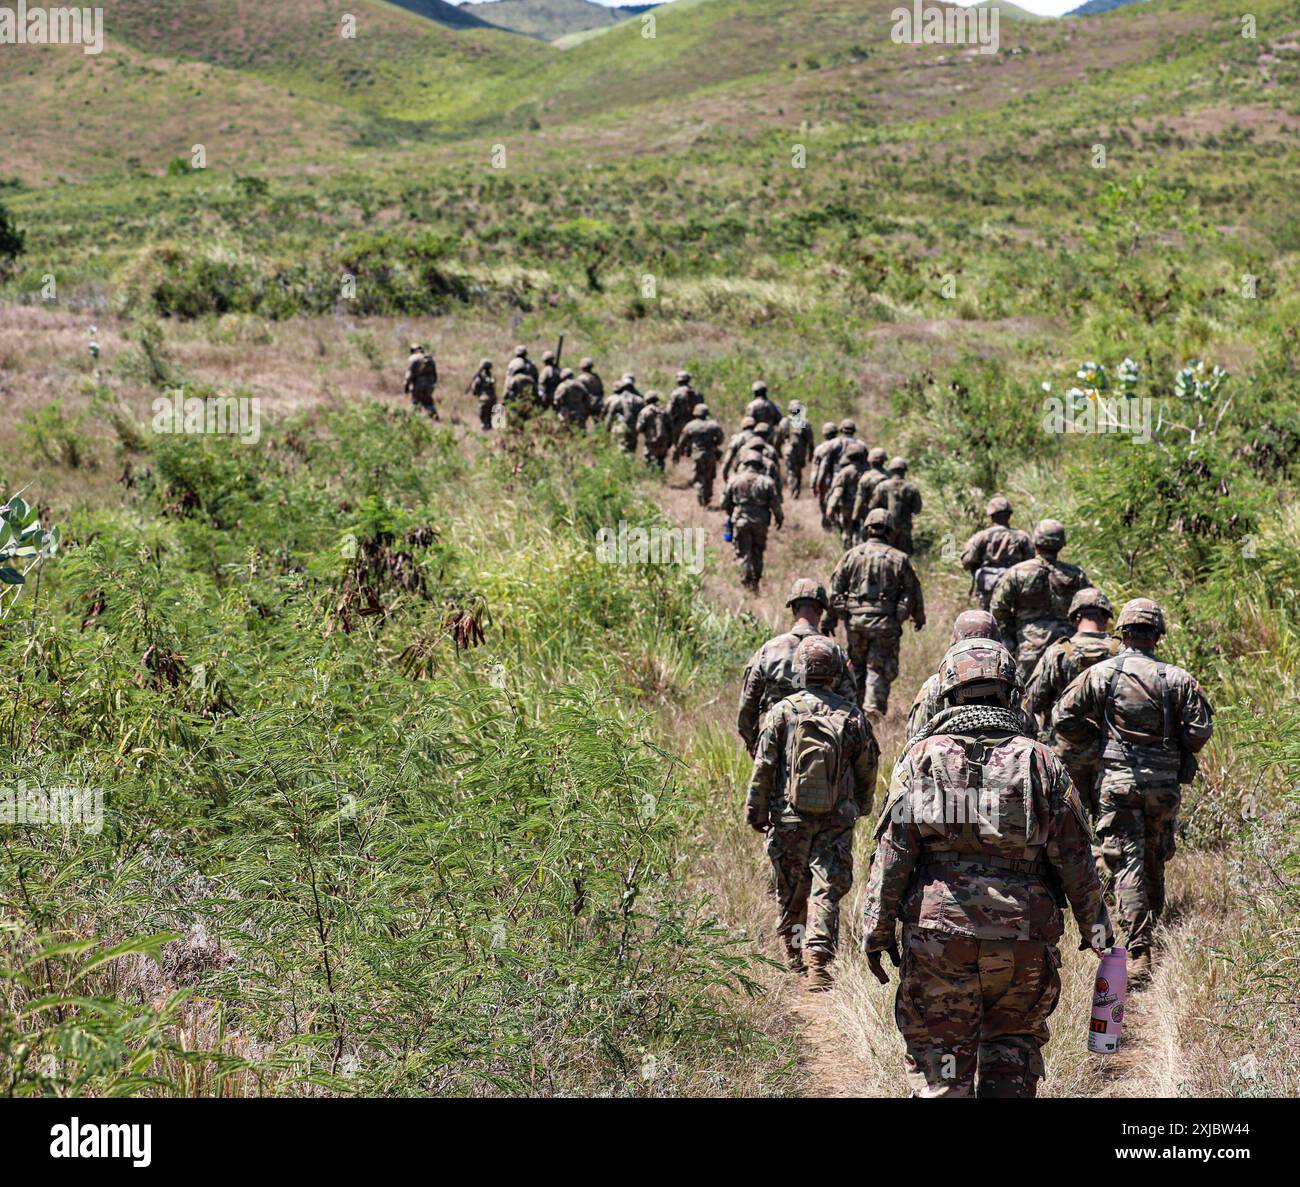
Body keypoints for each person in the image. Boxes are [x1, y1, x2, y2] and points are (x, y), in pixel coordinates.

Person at [863, 637, 1112, 1097]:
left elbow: (894, 851)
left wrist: (876, 930)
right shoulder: (1042, 761)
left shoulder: (922, 758)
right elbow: (1076, 856)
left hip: (939, 937)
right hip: (1023, 938)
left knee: (941, 1064)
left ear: (950, 693)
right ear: (1010, 692)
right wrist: (1097, 930)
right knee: (1011, 1056)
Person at [1051, 598, 1213, 981]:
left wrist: (1096, 741)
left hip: (1118, 783)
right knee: (1155, 852)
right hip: (1164, 786)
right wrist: (1171, 747)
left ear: (1122, 633)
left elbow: (1063, 718)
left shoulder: (1102, 674)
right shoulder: (1178, 679)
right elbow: (1200, 732)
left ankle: (1139, 947)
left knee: (1127, 860)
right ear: (1158, 635)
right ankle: (1151, 924)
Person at [746, 635, 879, 988]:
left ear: (800, 671)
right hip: (835, 819)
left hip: (789, 816)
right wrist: (860, 806)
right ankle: (818, 960)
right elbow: (867, 767)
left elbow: (764, 766)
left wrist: (756, 810)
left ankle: (793, 954)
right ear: (835, 672)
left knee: (791, 887)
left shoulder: (781, 712)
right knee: (826, 888)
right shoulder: (851, 715)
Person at [1023, 587, 1118, 815]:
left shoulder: (1058, 652)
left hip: (1066, 750)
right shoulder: (1121, 652)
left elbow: (1033, 701)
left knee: (1070, 821)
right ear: (1105, 617)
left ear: (1075, 618)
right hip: (1112, 751)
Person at [823, 507, 925, 715]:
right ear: (889, 531)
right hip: (886, 624)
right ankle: (873, 710)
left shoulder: (851, 556)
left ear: (867, 529)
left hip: (855, 624)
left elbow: (834, 591)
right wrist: (917, 616)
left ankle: (853, 709)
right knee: (878, 667)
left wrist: (831, 619)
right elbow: (913, 590)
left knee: (857, 667)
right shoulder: (899, 559)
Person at [737, 579, 857, 755]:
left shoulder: (768, 651)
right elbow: (851, 705)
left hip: (775, 744)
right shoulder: (835, 653)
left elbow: (747, 708)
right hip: (823, 749)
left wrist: (758, 746)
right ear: (821, 610)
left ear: (793, 609)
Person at [990, 519, 1090, 684]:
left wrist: (1012, 632)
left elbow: (998, 610)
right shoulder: (1076, 574)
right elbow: (1089, 607)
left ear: (1035, 542)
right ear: (1061, 544)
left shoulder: (1016, 572)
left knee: (1025, 699)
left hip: (1029, 648)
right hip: (1067, 648)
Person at [904, 609, 1006, 737]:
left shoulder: (935, 685)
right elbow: (1024, 727)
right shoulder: (1007, 679)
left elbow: (915, 737)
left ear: (955, 640)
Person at [721, 454, 783, 592]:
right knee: (758, 552)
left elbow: (724, 503)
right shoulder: (767, 482)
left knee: (743, 553)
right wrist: (779, 518)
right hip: (761, 522)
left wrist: (732, 513)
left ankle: (746, 583)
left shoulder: (734, 480)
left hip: (741, 521)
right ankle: (755, 581)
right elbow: (775, 504)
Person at [961, 496, 1034, 611]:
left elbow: (967, 561)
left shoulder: (981, 537)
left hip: (987, 590)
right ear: (1009, 515)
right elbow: (1032, 564)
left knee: (987, 622)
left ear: (991, 517)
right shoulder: (1022, 537)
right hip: (1015, 590)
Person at [675, 403, 725, 507]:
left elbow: (682, 441)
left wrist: (681, 450)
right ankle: (707, 495)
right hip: (710, 454)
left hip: (697, 455)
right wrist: (714, 443)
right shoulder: (713, 425)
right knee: (710, 476)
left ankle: (701, 494)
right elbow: (721, 439)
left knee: (699, 475)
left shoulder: (691, 425)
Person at [869, 457, 923, 554]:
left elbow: (873, 507)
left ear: (891, 470)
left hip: (886, 528)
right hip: (905, 528)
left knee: (886, 555)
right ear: (905, 470)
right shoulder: (912, 488)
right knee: (905, 556)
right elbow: (917, 510)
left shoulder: (882, 486)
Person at [826, 440, 868, 551]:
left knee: (847, 532)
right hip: (865, 508)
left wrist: (831, 507)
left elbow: (837, 492)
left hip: (847, 508)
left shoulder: (844, 472)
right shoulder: (868, 472)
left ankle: (848, 554)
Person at [775, 400, 815, 498]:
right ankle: (796, 489)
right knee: (798, 471)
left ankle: (793, 490)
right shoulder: (804, 422)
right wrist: (810, 455)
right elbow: (810, 441)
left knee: (791, 471)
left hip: (788, 450)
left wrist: (778, 452)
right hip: (800, 451)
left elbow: (778, 440)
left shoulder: (784, 422)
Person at [811, 423, 840, 529]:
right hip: (838, 479)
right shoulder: (840, 445)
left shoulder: (820, 448)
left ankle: (827, 520)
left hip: (824, 480)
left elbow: (815, 469)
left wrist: (814, 484)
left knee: (824, 501)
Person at [636, 392, 672, 470]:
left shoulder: (645, 411)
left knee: (649, 460)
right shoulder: (663, 410)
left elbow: (639, 428)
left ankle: (651, 478)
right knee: (661, 459)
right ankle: (660, 476)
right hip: (663, 439)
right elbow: (670, 427)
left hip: (651, 440)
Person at [404, 343, 439, 418]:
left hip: (418, 385)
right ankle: (435, 418)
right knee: (428, 401)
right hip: (429, 384)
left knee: (415, 402)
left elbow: (409, 374)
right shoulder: (429, 358)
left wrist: (406, 386)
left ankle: (415, 420)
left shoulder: (413, 358)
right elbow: (434, 374)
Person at [666, 371, 697, 446]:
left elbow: (669, 410)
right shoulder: (696, 392)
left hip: (679, 423)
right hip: (694, 423)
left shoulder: (675, 393)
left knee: (677, 445)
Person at [469, 359, 497, 431]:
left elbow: (474, 390)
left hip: (483, 401)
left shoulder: (479, 378)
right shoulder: (492, 377)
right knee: (490, 419)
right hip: (493, 400)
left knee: (483, 422)